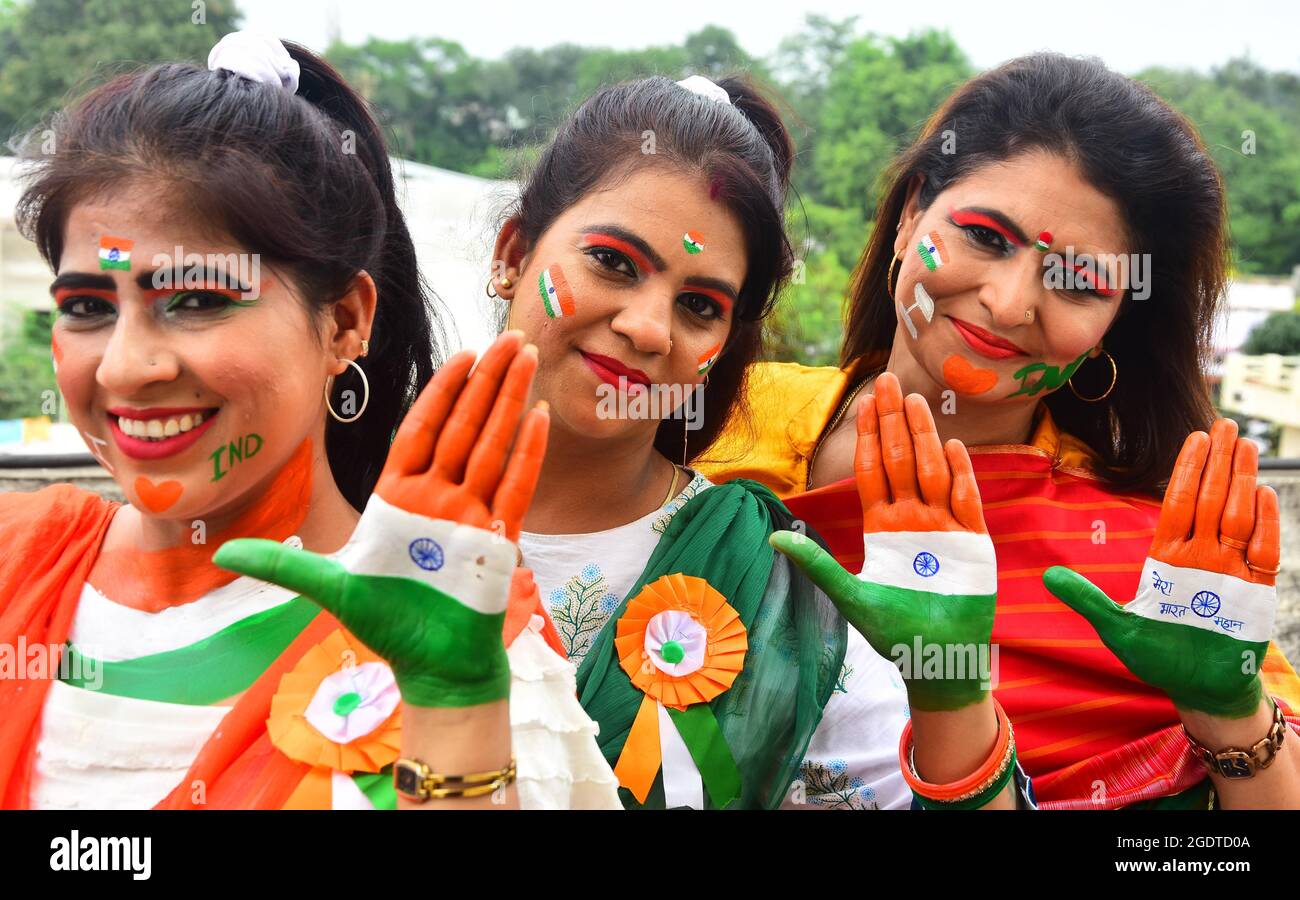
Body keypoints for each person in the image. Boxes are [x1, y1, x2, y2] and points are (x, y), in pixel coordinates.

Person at [0, 32, 618, 810]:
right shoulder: (16, 565)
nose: (126, 367)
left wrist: (451, 713)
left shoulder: (466, 643)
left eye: (197, 300)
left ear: (344, 323)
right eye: (89, 307)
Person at [697, 52, 1300, 808]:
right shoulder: (714, 416)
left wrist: (1230, 716)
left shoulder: (1149, 552)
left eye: (1079, 280)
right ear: (913, 211)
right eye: (986, 237)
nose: (1011, 303)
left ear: (1117, 320)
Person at [481, 71, 965, 809]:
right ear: (513, 253)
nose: (648, 326)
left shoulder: (768, 585)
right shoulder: (357, 510)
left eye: (700, 305)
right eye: (612, 261)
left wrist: (954, 699)